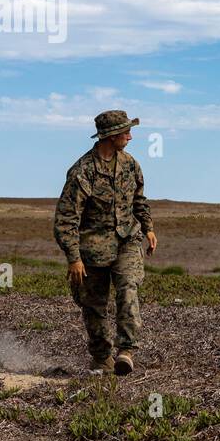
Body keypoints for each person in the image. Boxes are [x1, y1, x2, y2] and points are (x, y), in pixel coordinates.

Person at [52, 110, 157, 375]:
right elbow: (66, 219)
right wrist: (74, 258)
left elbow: (139, 200)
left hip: (127, 240)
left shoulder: (130, 164)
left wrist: (149, 228)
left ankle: (127, 351)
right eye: (126, 132)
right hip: (92, 250)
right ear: (111, 136)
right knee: (93, 305)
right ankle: (101, 357)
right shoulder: (82, 172)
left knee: (128, 287)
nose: (130, 137)